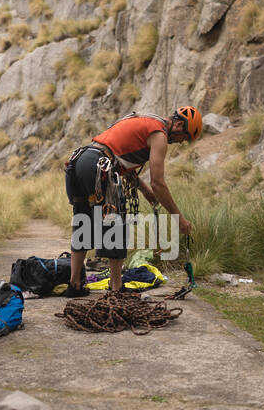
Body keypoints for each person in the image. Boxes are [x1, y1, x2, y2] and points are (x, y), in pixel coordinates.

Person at [62, 106, 202, 295]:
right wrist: (179, 219)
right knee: (116, 225)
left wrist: (144, 190)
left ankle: (74, 285)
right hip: (101, 166)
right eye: (183, 138)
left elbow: (120, 159)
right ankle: (116, 288)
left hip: (80, 162)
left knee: (83, 224)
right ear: (178, 125)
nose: (180, 142)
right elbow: (158, 182)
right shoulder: (159, 135)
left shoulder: (145, 120)